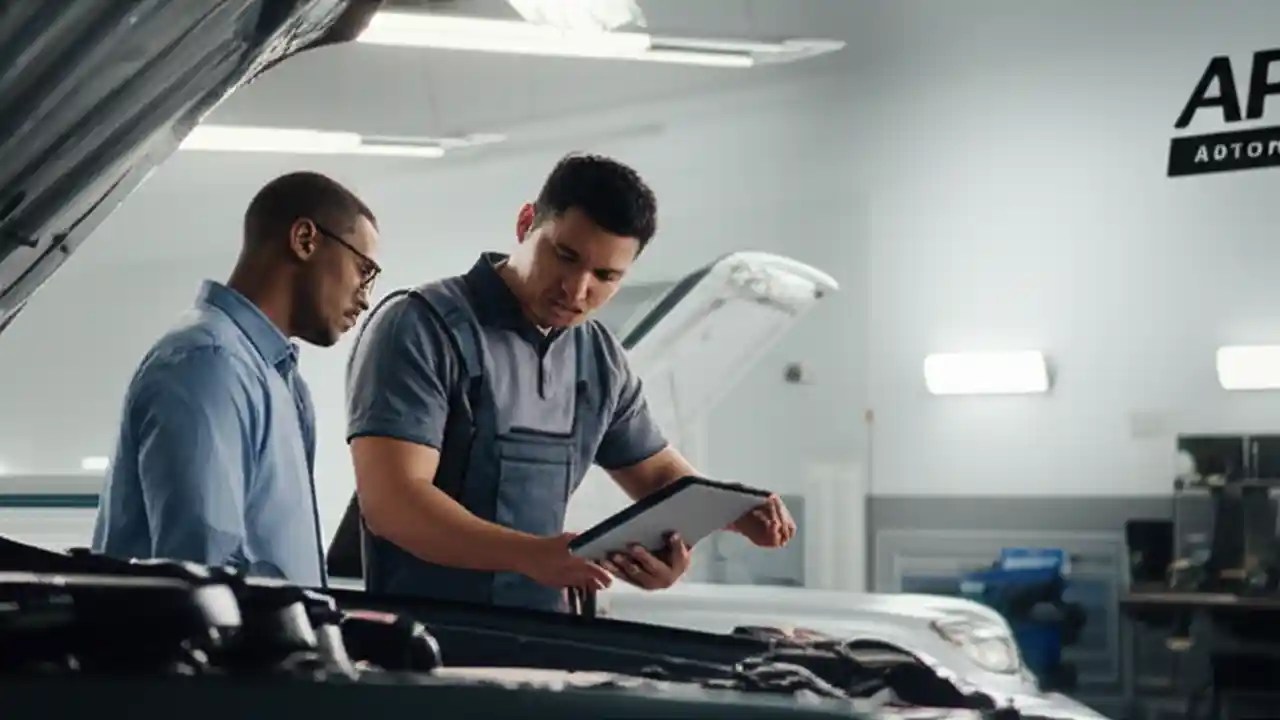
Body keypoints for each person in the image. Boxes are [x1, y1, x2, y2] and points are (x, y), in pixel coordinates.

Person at [341, 152, 794, 613]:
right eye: (564, 256)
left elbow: (657, 475)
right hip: (423, 642)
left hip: (548, 635)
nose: (576, 291)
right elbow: (393, 503)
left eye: (605, 276)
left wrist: (725, 512)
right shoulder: (420, 327)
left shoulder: (597, 356)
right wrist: (533, 556)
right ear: (526, 224)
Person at [91, 171, 381, 587]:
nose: (366, 297)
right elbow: (207, 569)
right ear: (304, 240)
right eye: (363, 269)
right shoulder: (208, 363)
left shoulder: (278, 380)